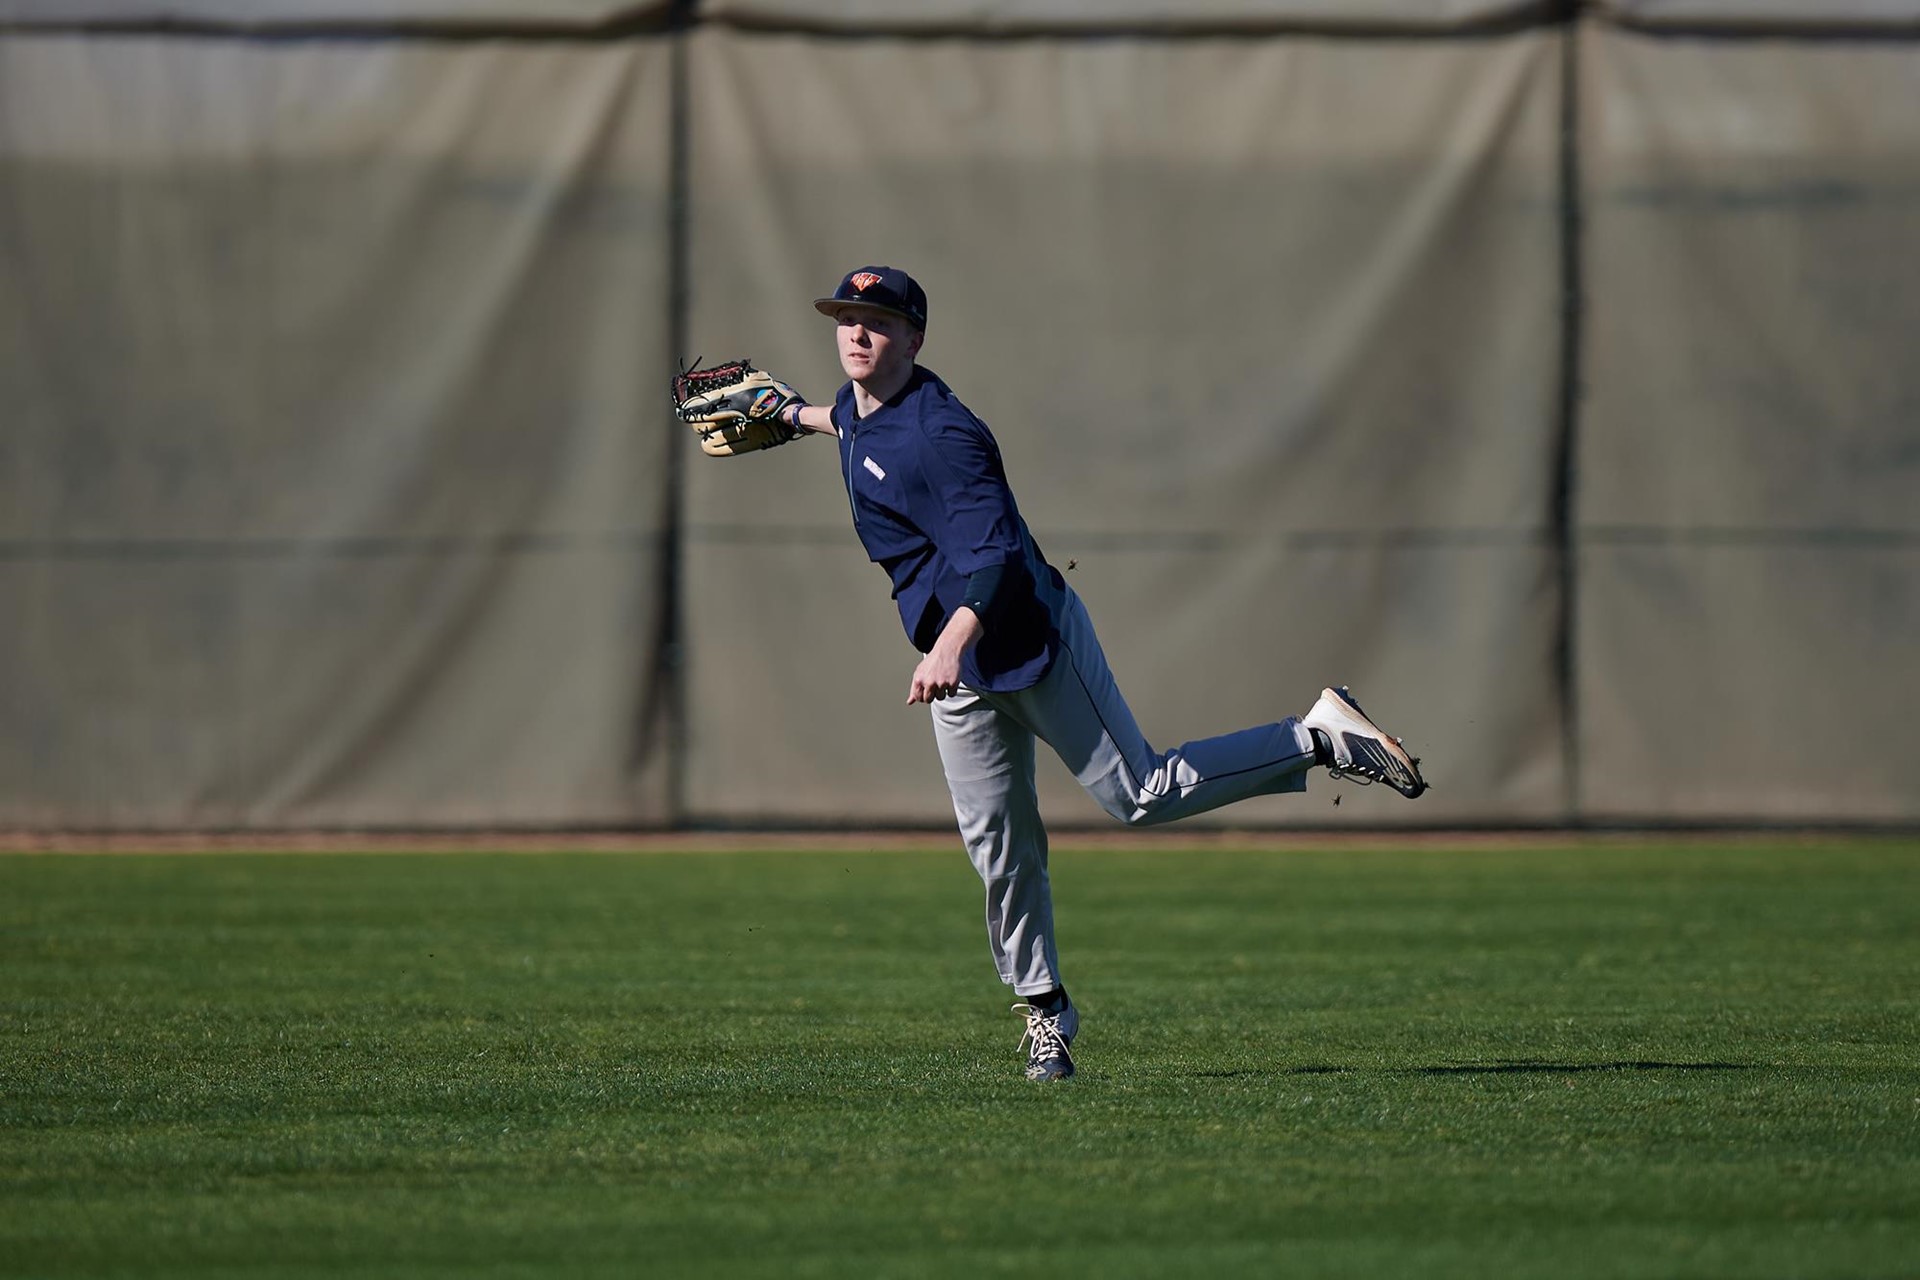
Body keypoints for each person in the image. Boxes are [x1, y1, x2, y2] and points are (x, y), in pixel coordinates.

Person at [772, 265, 1428, 1082]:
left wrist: (947, 647)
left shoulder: (946, 433)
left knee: (1141, 794)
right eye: (846, 316)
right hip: (959, 669)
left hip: (1023, 640)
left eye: (877, 319)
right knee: (997, 842)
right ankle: (1046, 1010)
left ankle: (1315, 737)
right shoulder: (857, 410)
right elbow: (851, 424)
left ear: (915, 337)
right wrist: (788, 415)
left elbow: (998, 563)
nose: (857, 332)